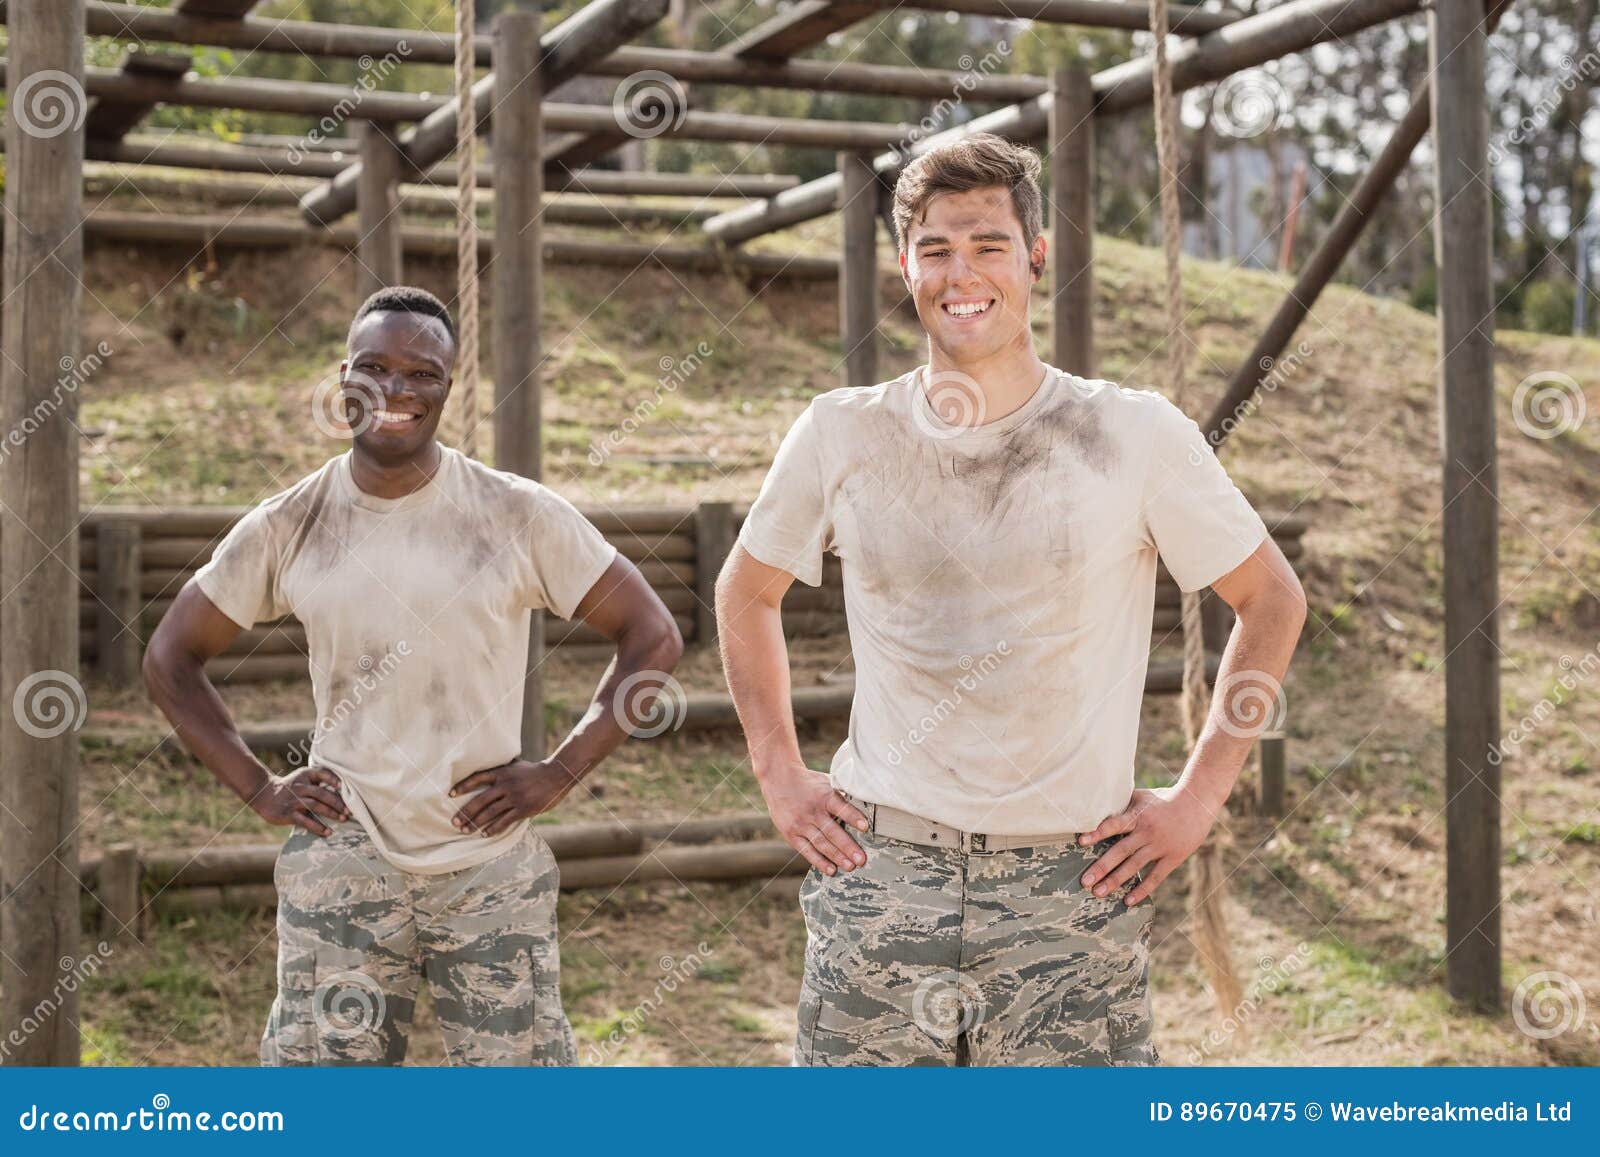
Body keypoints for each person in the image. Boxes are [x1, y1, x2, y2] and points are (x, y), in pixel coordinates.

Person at [715, 134, 1307, 1066]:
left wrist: (1197, 801)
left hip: (1072, 884)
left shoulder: (1131, 432)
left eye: (989, 244)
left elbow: (1271, 599)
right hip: (885, 872)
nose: (963, 274)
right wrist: (780, 775)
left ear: (1035, 257)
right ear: (905, 263)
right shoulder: (842, 432)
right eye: (937, 249)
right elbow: (744, 592)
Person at [145, 286, 683, 1066]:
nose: (397, 391)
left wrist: (559, 771)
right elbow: (169, 659)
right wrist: (260, 787)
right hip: (345, 856)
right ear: (344, 379)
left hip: (487, 860)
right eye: (376, 369)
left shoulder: (514, 513)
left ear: (450, 386)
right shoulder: (292, 523)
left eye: (422, 374)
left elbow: (652, 635)